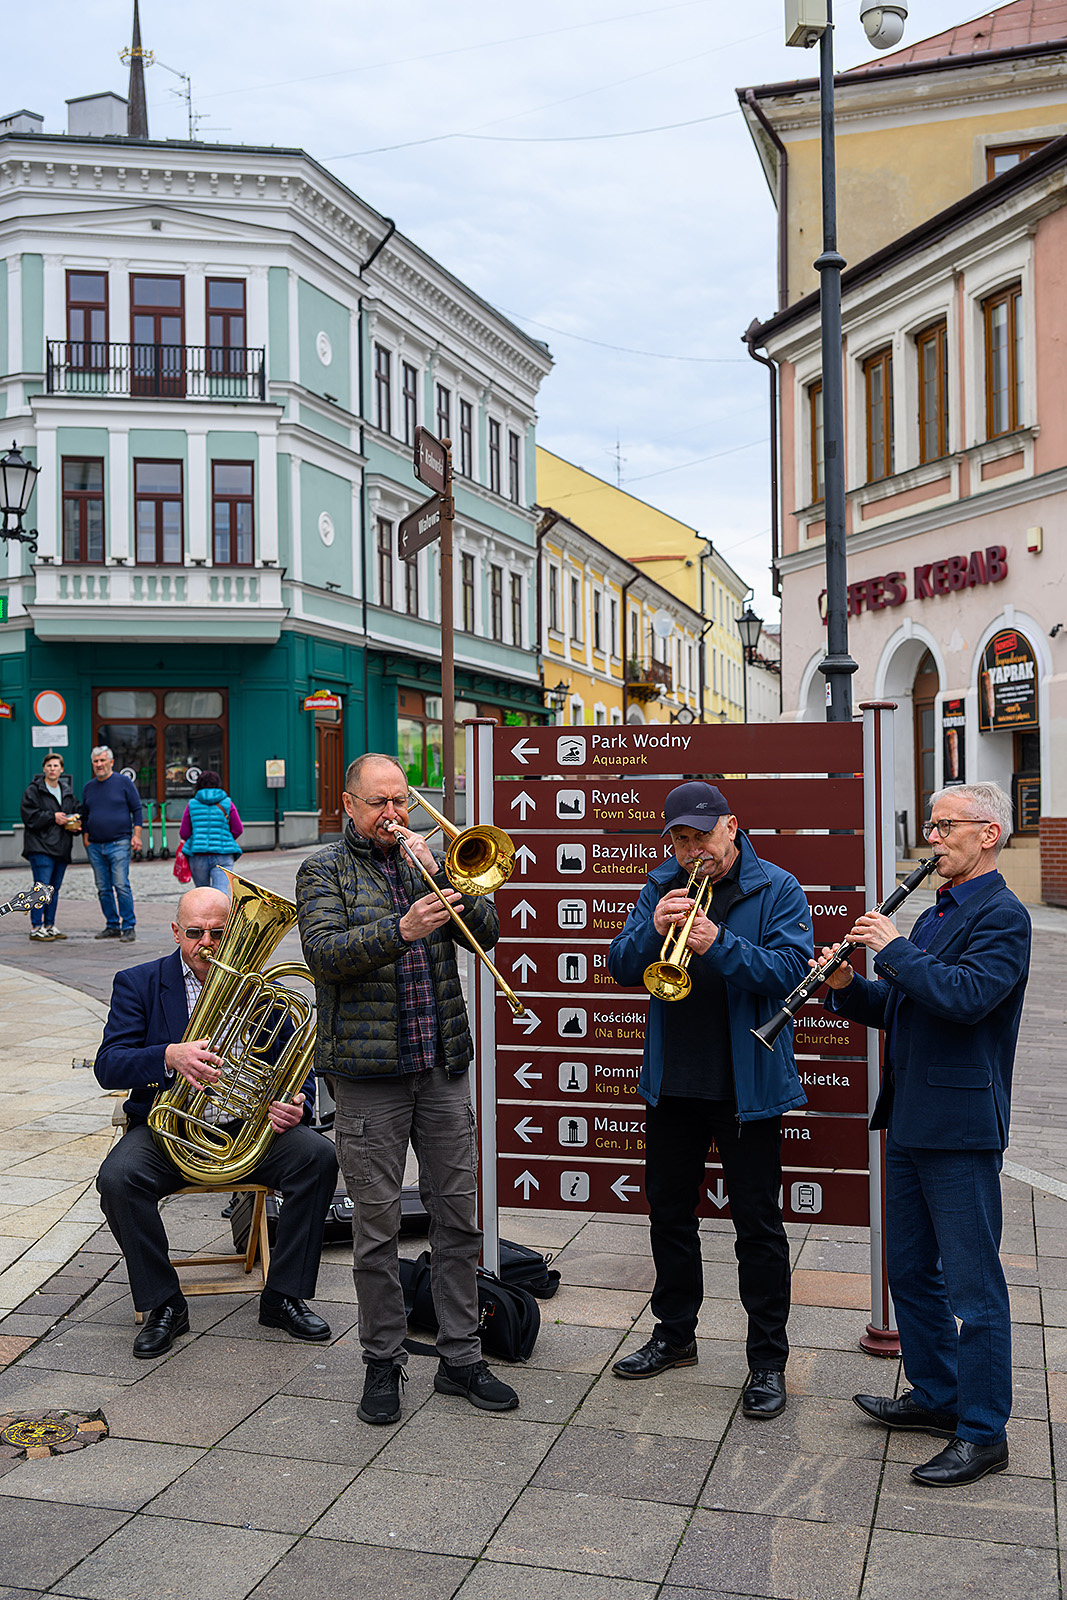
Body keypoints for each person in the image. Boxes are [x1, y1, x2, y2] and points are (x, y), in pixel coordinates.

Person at [296, 752, 519, 1427]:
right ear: (349, 807)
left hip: (442, 1064)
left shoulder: (430, 858)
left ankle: (460, 1356)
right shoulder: (322, 869)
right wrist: (402, 928)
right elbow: (324, 955)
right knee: (376, 1227)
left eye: (401, 802)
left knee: (457, 1218)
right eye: (378, 804)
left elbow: (487, 936)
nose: (393, 815)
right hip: (370, 1079)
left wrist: (452, 877)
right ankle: (382, 1360)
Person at [819, 781, 1031, 1487]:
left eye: (944, 827)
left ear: (987, 833)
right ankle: (939, 1397)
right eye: (932, 827)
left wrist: (895, 949)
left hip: (961, 1127)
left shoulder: (1003, 915)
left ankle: (982, 1431)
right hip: (910, 1117)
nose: (932, 839)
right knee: (908, 1271)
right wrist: (848, 984)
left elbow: (966, 999)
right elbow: (908, 1007)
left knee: (974, 1291)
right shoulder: (940, 912)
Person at [607, 781, 813, 1419]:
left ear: (732, 827)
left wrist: (714, 943)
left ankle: (767, 1362)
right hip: (674, 1083)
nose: (692, 849)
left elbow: (791, 974)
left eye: (702, 836)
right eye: (680, 838)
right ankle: (674, 1336)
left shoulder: (776, 887)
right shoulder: (660, 883)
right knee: (669, 1214)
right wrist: (655, 932)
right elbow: (619, 963)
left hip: (747, 1086)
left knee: (757, 1226)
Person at [94, 885, 338, 1358]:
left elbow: (301, 1067)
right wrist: (168, 1054)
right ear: (175, 932)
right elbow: (109, 1065)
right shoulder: (138, 982)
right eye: (194, 932)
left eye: (218, 933)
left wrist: (297, 1102)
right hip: (169, 1130)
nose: (205, 943)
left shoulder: (263, 990)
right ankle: (164, 1303)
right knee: (117, 1180)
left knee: (319, 1158)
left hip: (246, 1128)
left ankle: (283, 1295)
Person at [81, 745, 143, 942]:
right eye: (96, 761)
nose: (99, 765)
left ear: (111, 762)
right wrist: (86, 836)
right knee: (103, 887)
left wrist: (137, 835)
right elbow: (85, 814)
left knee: (121, 884)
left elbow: (137, 810)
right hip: (95, 846)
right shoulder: (89, 787)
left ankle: (129, 926)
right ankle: (112, 925)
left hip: (120, 842)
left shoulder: (123, 782)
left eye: (102, 760)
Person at [20, 753, 79, 940]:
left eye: (56, 766)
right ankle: (36, 926)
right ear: (44, 769)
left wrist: (74, 822)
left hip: (61, 846)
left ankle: (49, 924)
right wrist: (53, 817)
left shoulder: (67, 790)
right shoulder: (34, 790)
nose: (53, 769)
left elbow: (76, 811)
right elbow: (28, 816)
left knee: (53, 889)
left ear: (62, 769)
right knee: (41, 888)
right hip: (40, 846)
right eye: (49, 765)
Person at [180, 769, 244, 891]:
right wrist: (225, 838)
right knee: (220, 894)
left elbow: (184, 833)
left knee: (203, 895)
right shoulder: (227, 803)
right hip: (223, 855)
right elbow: (238, 829)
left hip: (198, 855)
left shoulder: (192, 804)